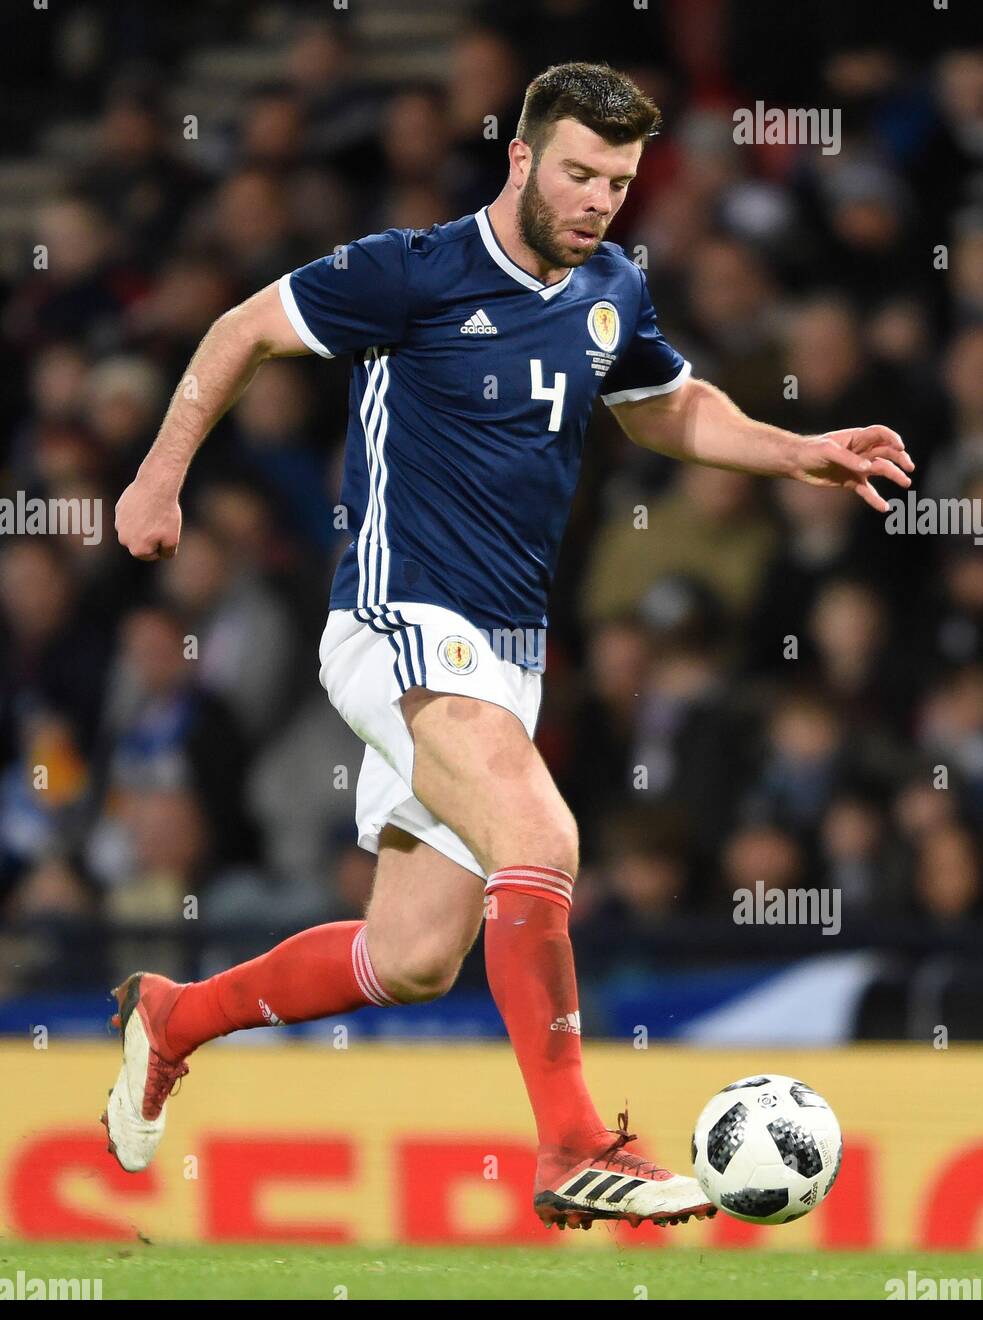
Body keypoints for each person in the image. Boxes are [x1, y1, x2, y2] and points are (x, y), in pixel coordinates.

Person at [106, 62, 913, 1231]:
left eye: (620, 182)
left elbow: (660, 402)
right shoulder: (410, 272)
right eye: (579, 172)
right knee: (541, 834)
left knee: (414, 955)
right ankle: (573, 1141)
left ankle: (174, 1018)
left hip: (505, 652)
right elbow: (241, 331)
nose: (598, 200)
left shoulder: (612, 289)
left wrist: (792, 449)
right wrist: (157, 472)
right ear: (522, 159)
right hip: (398, 617)